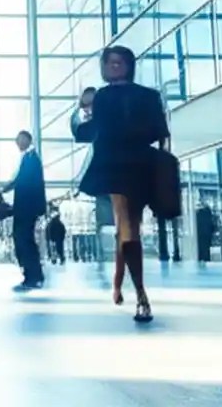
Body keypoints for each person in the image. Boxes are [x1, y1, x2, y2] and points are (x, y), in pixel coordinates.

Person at [72, 45, 170, 323]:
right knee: (128, 227)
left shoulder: (144, 96)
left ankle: (118, 284)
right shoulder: (104, 97)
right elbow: (92, 131)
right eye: (110, 63)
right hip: (119, 167)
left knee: (127, 229)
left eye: (119, 62)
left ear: (129, 65)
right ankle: (140, 294)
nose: (114, 66)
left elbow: (161, 132)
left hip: (134, 165)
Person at [1, 130, 47, 291]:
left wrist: (7, 187)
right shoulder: (29, 158)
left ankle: (32, 275)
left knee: (24, 240)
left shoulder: (31, 159)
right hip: (25, 208)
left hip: (27, 209)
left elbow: (24, 182)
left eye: (20, 140)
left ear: (27, 140)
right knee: (25, 240)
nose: (18, 144)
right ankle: (33, 274)